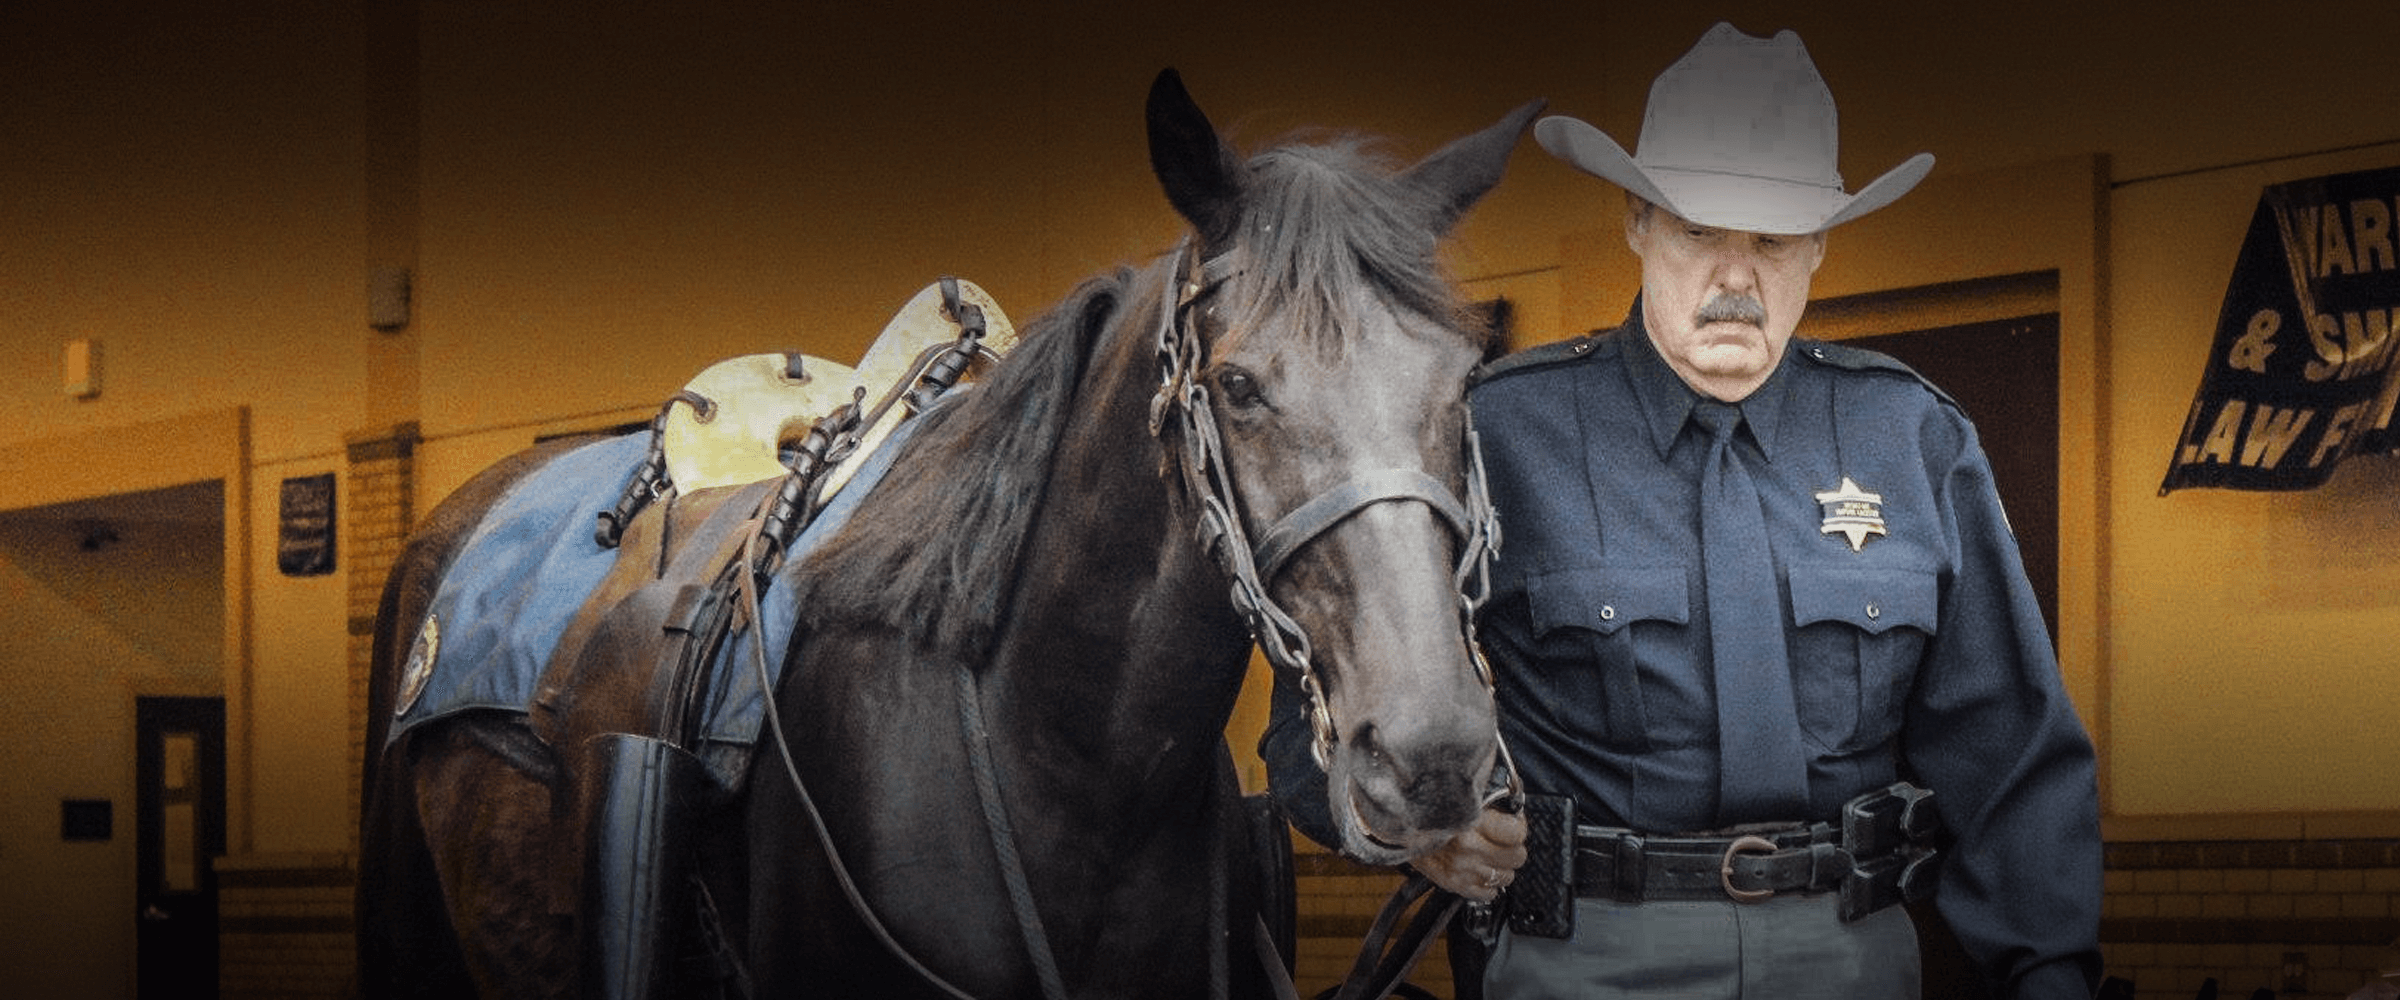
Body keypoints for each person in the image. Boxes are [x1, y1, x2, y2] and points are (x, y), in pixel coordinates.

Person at [1262, 22, 2102, 1000]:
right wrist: (1414, 835)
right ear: (1637, 221)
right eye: (1701, 230)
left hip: (1851, 955)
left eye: (1774, 239)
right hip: (1583, 958)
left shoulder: (1911, 439)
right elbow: (1310, 714)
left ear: (1820, 244)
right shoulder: (1494, 433)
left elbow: (2013, 752)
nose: (1736, 278)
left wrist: (2051, 977)